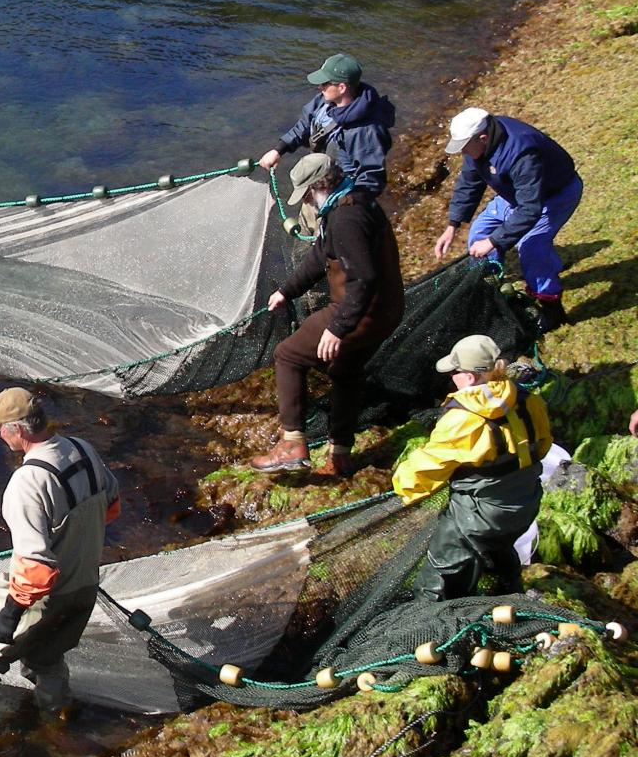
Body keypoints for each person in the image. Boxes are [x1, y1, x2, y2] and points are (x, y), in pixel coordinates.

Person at [0, 387, 120, 737]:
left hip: (42, 597)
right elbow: (112, 507)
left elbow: (36, 569)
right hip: (83, 589)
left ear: (19, 430)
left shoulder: (26, 483)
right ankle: (58, 725)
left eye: (0, 429)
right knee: (46, 657)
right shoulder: (83, 449)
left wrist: (10, 614)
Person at [249, 153, 404, 478]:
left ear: (320, 185)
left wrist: (338, 328)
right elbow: (322, 254)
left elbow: (363, 278)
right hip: (387, 311)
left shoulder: (347, 219)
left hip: (359, 312)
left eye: (307, 192)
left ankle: (292, 443)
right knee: (346, 371)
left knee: (288, 355)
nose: (306, 199)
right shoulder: (356, 199)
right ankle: (340, 455)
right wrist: (287, 291)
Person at [392, 335, 552, 601]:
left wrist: (400, 487)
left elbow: (426, 470)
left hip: (479, 516)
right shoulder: (529, 401)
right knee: (496, 548)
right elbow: (544, 445)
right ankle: (509, 591)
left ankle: (434, 620)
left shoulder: (463, 419)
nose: (451, 378)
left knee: (437, 579)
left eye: (455, 372)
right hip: (525, 504)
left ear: (469, 377)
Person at [433, 107, 583, 332]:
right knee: (478, 233)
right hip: (516, 194)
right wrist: (452, 225)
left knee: (532, 247)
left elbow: (530, 209)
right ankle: (492, 295)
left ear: (482, 138)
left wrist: (494, 242)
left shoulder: (521, 152)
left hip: (553, 196)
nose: (462, 152)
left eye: (464, 147)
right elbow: (469, 182)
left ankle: (552, 312)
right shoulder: (478, 146)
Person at [257, 53, 396, 197]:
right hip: (319, 184)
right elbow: (304, 126)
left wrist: (350, 205)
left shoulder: (365, 131)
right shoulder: (323, 102)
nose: (319, 87)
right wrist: (278, 150)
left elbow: (372, 179)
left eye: (324, 83)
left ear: (341, 87)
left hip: (341, 196)